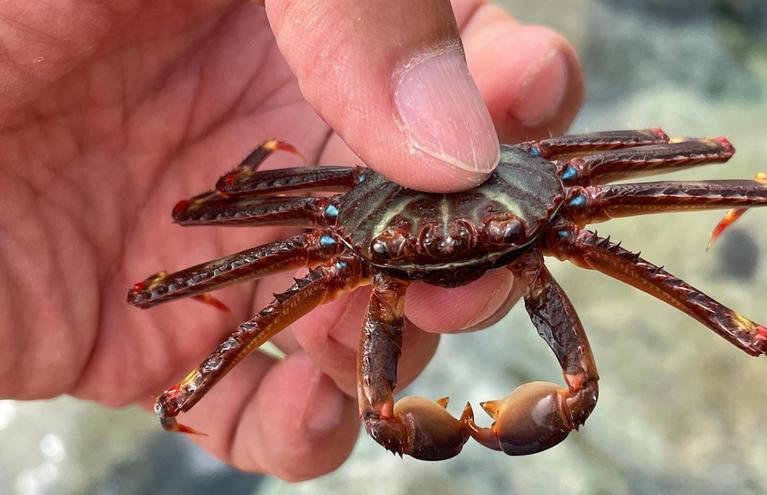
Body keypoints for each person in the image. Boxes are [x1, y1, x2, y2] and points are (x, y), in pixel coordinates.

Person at [0, 0, 583, 480]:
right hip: (424, 225)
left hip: (473, 213)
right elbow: (198, 211)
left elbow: (675, 157)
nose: (453, 263)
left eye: (489, 241)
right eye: (407, 249)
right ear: (372, 246)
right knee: (340, 410)